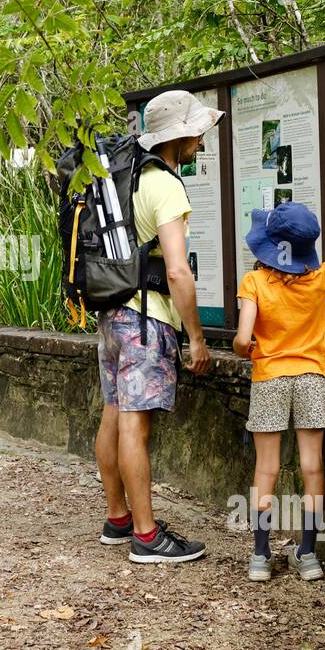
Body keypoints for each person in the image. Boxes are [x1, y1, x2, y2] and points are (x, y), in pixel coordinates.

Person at [95, 90, 221, 564]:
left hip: (112, 312)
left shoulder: (125, 178)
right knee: (135, 426)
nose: (202, 144)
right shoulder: (165, 185)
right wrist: (197, 337)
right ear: (180, 135)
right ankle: (147, 538)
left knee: (113, 411)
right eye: (198, 133)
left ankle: (118, 518)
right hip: (146, 318)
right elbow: (177, 272)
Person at [233, 201, 325, 581]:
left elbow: (242, 338)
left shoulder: (254, 283)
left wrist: (247, 348)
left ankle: (260, 556)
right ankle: (308, 554)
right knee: (312, 466)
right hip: (311, 379)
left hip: (269, 378)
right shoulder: (320, 278)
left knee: (266, 468)